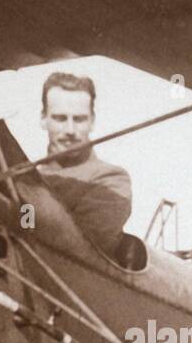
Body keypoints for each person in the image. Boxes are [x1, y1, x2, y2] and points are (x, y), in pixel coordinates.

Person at [36, 72, 132, 258]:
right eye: (60, 118)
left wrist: (27, 198)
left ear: (92, 122)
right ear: (43, 119)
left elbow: (82, 250)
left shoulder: (111, 180)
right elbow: (25, 227)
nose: (70, 130)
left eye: (79, 119)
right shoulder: (30, 178)